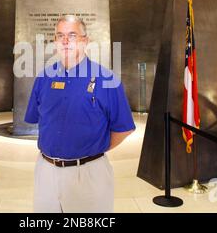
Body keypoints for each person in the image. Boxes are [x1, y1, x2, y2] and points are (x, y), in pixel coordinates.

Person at [24, 15, 135, 213]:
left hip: (88, 174)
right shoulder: (43, 79)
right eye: (60, 36)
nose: (65, 41)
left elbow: (123, 128)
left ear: (85, 41)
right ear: (55, 42)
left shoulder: (107, 79)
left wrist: (92, 150)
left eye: (72, 35)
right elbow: (37, 120)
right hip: (46, 172)